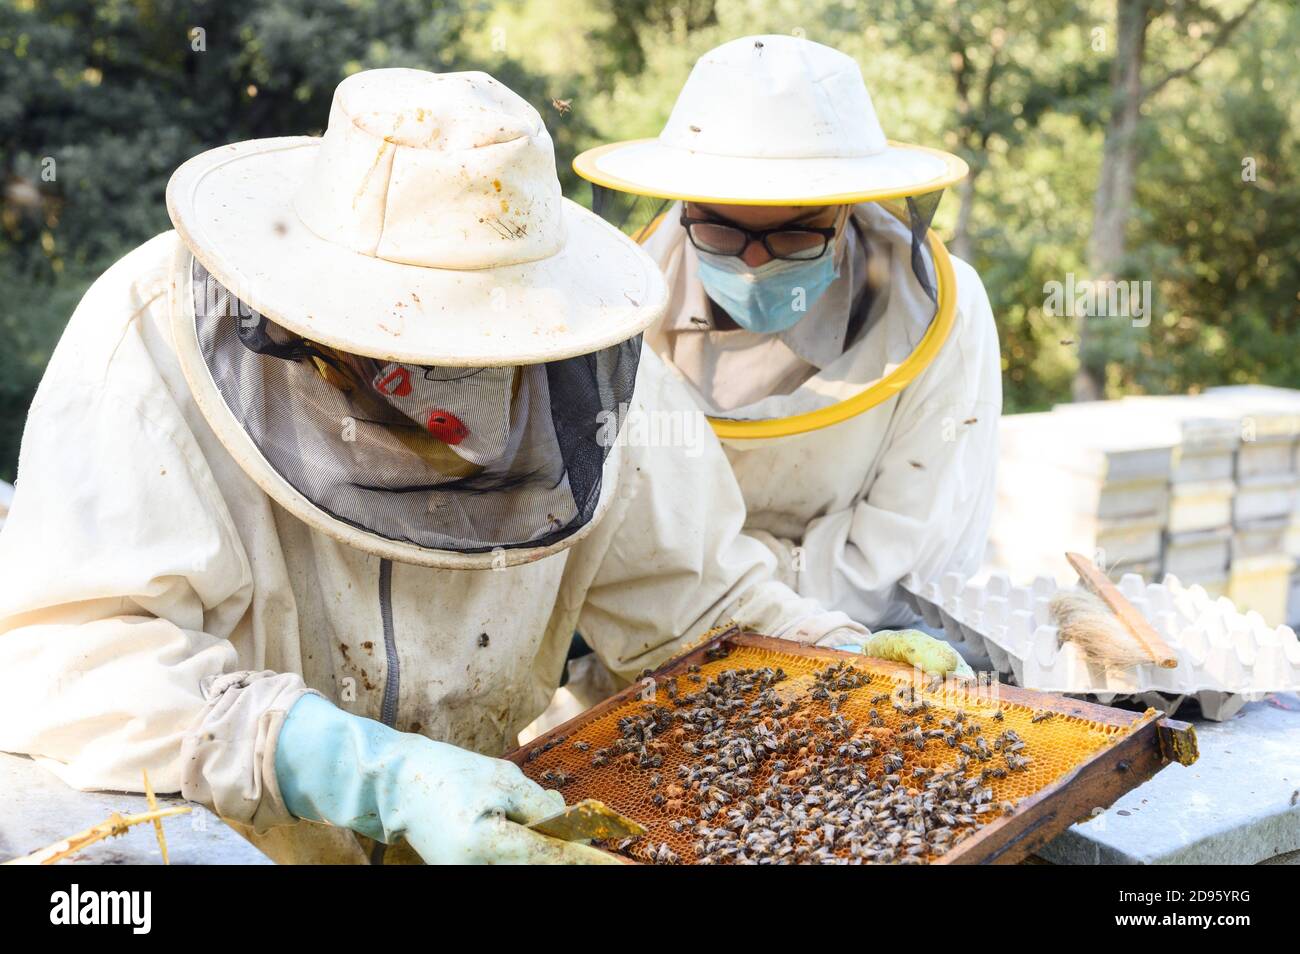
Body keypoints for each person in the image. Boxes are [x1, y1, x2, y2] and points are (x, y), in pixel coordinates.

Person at [0, 67, 964, 865]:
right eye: (401, 335)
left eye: (475, 343)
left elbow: (696, 606)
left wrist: (830, 655)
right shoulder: (149, 346)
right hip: (230, 845)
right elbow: (65, 661)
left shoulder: (596, 363)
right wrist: (351, 766)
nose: (438, 380)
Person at [574, 35, 1003, 633]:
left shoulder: (940, 315)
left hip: (861, 650)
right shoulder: (617, 313)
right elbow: (618, 540)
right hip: (656, 645)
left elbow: (903, 563)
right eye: (722, 231)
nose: (754, 264)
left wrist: (712, 575)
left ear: (847, 211)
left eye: (794, 235)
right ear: (685, 209)